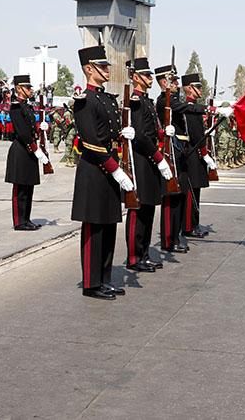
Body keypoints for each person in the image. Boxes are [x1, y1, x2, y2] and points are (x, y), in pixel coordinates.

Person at [71, 46, 135, 300]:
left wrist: (123, 136)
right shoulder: (84, 100)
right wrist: (115, 169)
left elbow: (108, 135)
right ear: (89, 69)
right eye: (103, 66)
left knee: (109, 226)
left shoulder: (107, 99)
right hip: (94, 172)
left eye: (107, 66)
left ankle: (105, 278)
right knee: (94, 228)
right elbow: (91, 141)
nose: (108, 70)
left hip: (110, 169)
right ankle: (91, 282)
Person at [125, 57, 173, 271]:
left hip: (151, 159)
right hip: (142, 159)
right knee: (139, 208)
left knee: (149, 208)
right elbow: (141, 135)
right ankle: (134, 257)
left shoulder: (147, 101)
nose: (150, 78)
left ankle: (143, 253)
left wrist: (164, 132)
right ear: (136, 77)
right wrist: (158, 156)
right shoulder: (135, 100)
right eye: (146, 75)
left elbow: (152, 130)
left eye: (150, 75)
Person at [154, 64, 193, 254]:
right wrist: (208, 109)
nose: (177, 83)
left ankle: (176, 235)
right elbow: (182, 107)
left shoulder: (174, 100)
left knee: (180, 196)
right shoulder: (164, 101)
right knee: (171, 198)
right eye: (174, 80)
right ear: (164, 82)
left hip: (181, 151)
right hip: (171, 152)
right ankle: (169, 239)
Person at [6, 74, 50, 231]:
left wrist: (41, 128)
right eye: (27, 87)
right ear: (19, 89)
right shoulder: (16, 106)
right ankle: (19, 221)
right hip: (21, 149)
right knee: (20, 188)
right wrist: (34, 147)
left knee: (29, 186)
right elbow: (23, 132)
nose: (30, 90)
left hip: (29, 149)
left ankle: (26, 218)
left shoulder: (27, 106)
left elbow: (31, 128)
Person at [181, 73, 217, 238]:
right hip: (193, 154)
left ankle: (194, 223)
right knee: (191, 192)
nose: (201, 89)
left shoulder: (194, 107)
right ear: (189, 88)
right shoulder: (189, 109)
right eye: (198, 86)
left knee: (196, 191)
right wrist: (204, 153)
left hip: (197, 154)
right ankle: (188, 226)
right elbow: (196, 134)